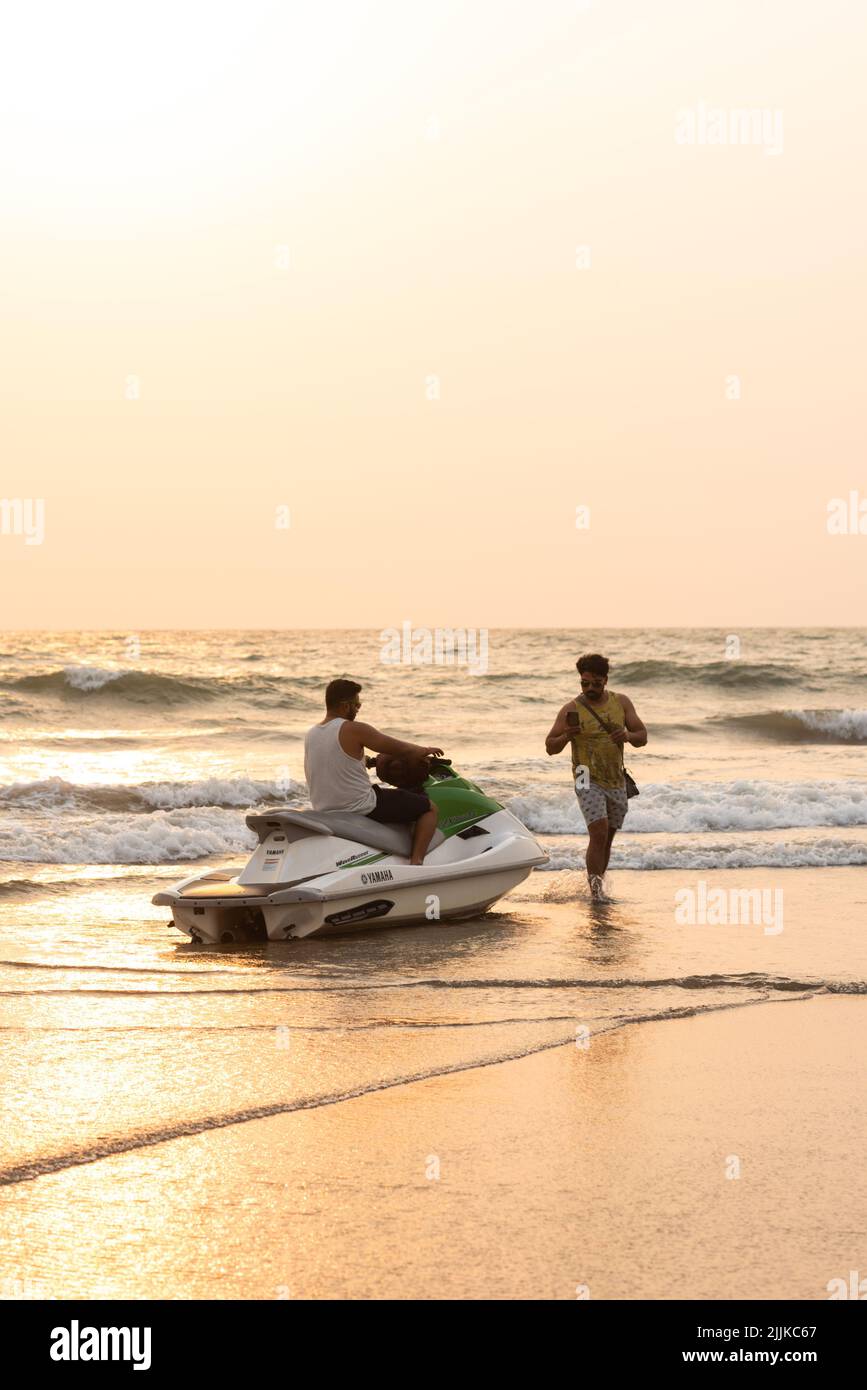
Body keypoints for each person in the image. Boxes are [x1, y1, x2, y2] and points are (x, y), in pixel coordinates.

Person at [304, 678, 443, 865]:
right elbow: (398, 748)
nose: (358, 708)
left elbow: (336, 759)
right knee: (429, 808)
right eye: (357, 704)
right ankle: (417, 861)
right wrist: (423, 751)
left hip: (324, 808)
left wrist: (368, 762)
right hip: (361, 806)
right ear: (345, 706)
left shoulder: (312, 734)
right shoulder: (354, 729)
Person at [544, 653, 647, 900]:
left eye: (595, 683)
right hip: (584, 775)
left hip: (614, 777)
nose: (589, 688)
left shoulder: (621, 703)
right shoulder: (571, 708)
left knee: (607, 838)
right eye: (584, 683)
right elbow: (550, 746)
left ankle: (597, 884)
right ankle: (596, 893)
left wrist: (627, 736)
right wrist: (567, 735)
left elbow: (642, 736)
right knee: (598, 833)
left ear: (606, 680)